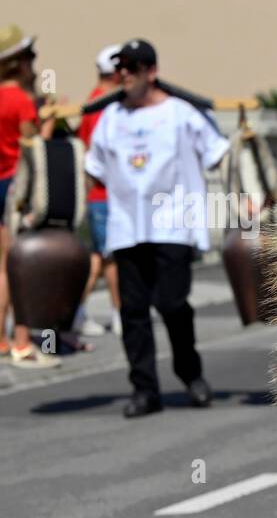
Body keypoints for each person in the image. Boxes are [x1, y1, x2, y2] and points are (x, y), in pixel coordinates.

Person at [84, 39, 229, 418]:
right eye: (121, 69)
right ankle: (144, 389)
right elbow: (93, 169)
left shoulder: (182, 114)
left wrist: (242, 195)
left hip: (173, 223)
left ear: (151, 71)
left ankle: (190, 372)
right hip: (127, 226)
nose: (125, 75)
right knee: (133, 310)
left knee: (171, 303)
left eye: (133, 68)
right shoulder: (111, 118)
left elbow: (219, 154)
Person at [0, 24, 60, 368]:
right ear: (17, 63)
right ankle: (23, 342)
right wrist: (47, 120)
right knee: (20, 267)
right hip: (16, 185)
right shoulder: (21, 101)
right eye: (29, 57)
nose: (34, 64)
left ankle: (4, 341)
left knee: (3, 268)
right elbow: (34, 145)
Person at [74, 44, 125, 339]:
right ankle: (118, 314)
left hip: (100, 194)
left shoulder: (93, 102)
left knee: (100, 256)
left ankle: (81, 312)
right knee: (109, 259)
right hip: (105, 194)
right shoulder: (105, 105)